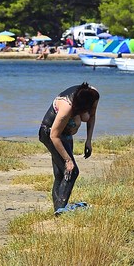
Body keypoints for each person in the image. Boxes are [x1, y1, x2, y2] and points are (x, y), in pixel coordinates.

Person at [39, 82, 99, 214]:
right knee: (71, 171)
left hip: (65, 135)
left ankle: (58, 210)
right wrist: (67, 160)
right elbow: (54, 136)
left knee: (61, 174)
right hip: (49, 134)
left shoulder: (93, 95)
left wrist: (88, 140)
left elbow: (92, 116)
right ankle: (60, 211)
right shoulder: (67, 106)